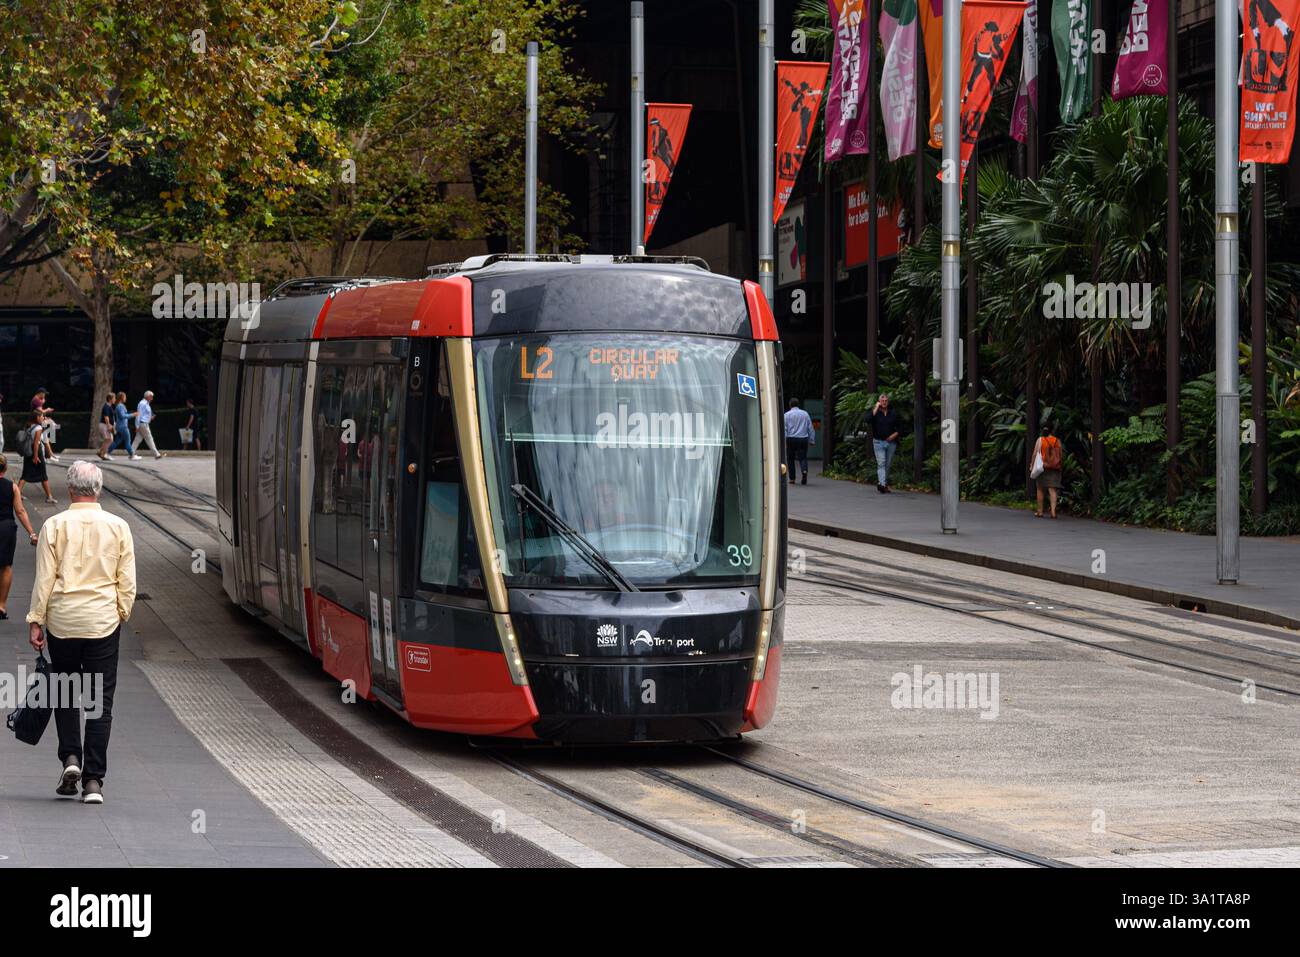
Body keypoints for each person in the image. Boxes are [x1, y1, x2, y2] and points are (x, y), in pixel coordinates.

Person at [27, 460, 136, 805]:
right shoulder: (119, 527)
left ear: (71, 489)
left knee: (65, 691)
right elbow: (128, 582)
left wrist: (36, 619)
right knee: (100, 701)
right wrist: (119, 613)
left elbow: (44, 578)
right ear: (99, 489)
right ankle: (93, 782)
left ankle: (70, 759)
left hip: (63, 621)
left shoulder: (53, 525)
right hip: (102, 622)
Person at [0, 453, 39, 620]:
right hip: (6, 528)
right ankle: (1, 605)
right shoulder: (12, 487)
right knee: (6, 566)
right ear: (5, 468)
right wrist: (31, 532)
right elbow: (20, 511)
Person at [17, 411, 56, 504]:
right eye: (42, 416)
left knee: (25, 474)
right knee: (43, 475)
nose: (43, 418)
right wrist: (35, 456)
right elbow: (36, 444)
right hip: (36, 453)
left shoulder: (28, 426)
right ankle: (49, 496)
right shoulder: (38, 428)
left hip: (27, 452)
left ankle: (17, 494)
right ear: (37, 417)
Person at [869, 393, 902, 494]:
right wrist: (875, 408)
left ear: (888, 402)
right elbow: (867, 419)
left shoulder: (893, 413)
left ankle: (883, 483)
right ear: (879, 402)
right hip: (878, 442)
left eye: (886, 401)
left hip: (891, 443)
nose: (884, 402)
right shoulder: (875, 413)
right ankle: (882, 485)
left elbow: (900, 427)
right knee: (881, 463)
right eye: (882, 401)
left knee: (887, 465)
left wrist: (894, 435)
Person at [1031, 424, 1064, 519]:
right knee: (1052, 490)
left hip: (1043, 467)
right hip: (1054, 468)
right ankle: (1053, 512)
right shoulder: (1057, 440)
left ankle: (1040, 511)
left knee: (1040, 489)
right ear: (1052, 431)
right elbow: (1061, 455)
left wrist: (1032, 465)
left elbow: (1034, 454)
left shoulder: (1040, 440)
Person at [783, 397, 813, 486]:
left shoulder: (786, 415)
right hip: (803, 438)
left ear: (790, 405)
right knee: (803, 457)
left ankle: (792, 479)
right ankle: (804, 471)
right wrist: (812, 439)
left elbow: (785, 429)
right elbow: (810, 427)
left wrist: (784, 441)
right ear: (798, 404)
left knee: (790, 458)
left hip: (791, 439)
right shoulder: (805, 414)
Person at [130, 389, 162, 460]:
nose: (152, 398)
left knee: (137, 439)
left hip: (143, 423)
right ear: (147, 396)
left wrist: (150, 417)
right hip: (143, 424)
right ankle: (156, 454)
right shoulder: (142, 403)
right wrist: (137, 426)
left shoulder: (146, 404)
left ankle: (131, 453)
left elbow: (143, 415)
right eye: (151, 396)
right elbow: (139, 415)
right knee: (149, 438)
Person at [30, 389, 58, 463]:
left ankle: (50, 455)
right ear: (40, 393)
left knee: (45, 438)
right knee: (44, 438)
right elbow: (40, 412)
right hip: (37, 421)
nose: (44, 395)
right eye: (44, 394)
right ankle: (49, 456)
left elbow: (41, 413)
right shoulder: (36, 400)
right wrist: (47, 410)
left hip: (38, 420)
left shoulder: (38, 399)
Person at [96, 392, 117, 460]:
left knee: (108, 439)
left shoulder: (109, 406)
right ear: (110, 399)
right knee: (109, 439)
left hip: (105, 425)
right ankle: (103, 454)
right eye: (114, 398)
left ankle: (100, 452)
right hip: (105, 425)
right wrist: (109, 426)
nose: (115, 399)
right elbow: (106, 417)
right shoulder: (106, 406)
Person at [111, 391, 133, 457]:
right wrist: (133, 415)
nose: (126, 398)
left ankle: (106, 453)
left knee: (116, 442)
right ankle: (132, 455)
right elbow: (122, 416)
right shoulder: (120, 406)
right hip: (123, 427)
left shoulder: (118, 406)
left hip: (119, 427)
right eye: (125, 397)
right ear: (122, 398)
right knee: (127, 442)